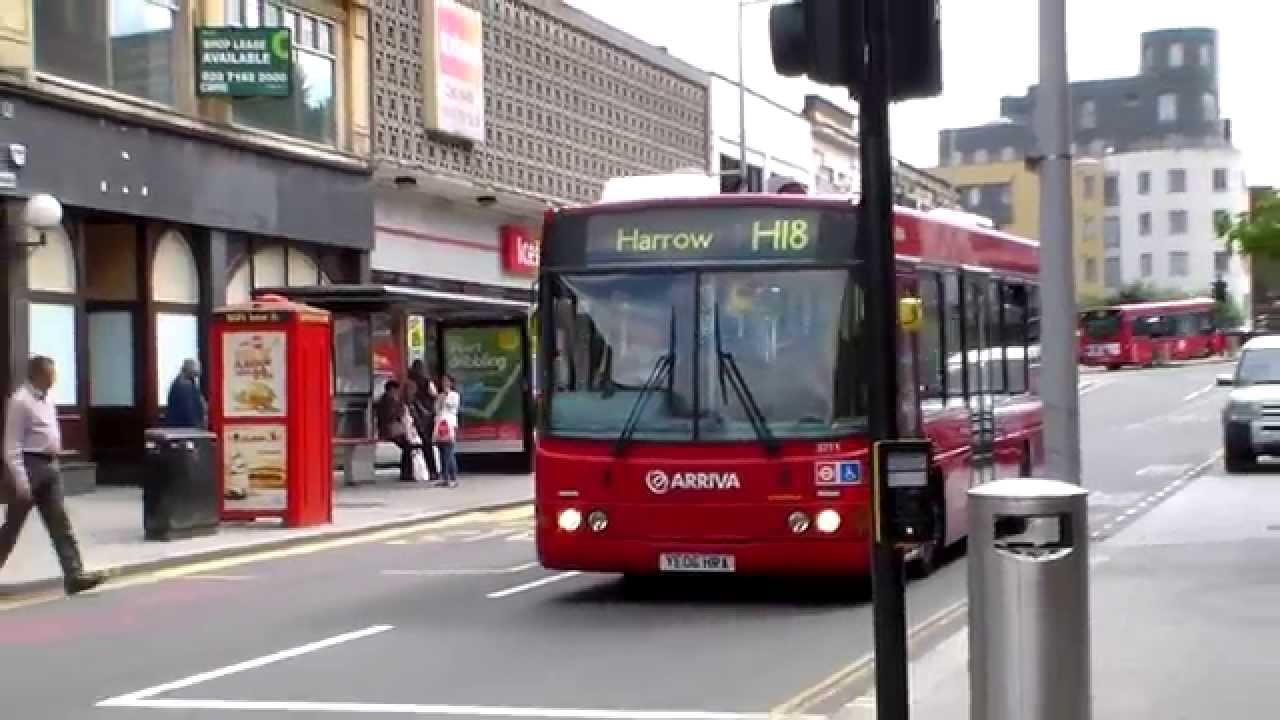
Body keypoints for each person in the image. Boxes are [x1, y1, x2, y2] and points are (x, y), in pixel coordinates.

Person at [0, 356, 107, 595]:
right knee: (11, 529)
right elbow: (11, 446)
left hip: (50, 466)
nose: (55, 379)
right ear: (37, 374)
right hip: (29, 466)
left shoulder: (48, 399)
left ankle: (74, 574)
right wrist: (20, 480)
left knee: (61, 524)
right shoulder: (20, 401)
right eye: (51, 374)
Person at [374, 379, 416, 484]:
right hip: (390, 430)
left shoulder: (386, 399)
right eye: (395, 390)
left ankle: (407, 473)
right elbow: (392, 415)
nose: (396, 392)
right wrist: (400, 410)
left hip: (390, 429)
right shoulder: (388, 400)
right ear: (391, 390)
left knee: (408, 445)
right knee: (408, 446)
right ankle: (407, 474)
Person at [406, 360, 440, 481]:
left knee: (424, 444)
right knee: (430, 443)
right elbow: (435, 394)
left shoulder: (410, 381)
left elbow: (408, 398)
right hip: (429, 415)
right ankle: (434, 471)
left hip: (417, 416)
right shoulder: (427, 381)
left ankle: (426, 471)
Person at [433, 373, 462, 488]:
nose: (444, 383)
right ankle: (445, 478)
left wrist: (445, 395)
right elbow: (436, 408)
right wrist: (439, 398)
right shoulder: (440, 395)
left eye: (446, 381)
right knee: (441, 451)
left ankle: (453, 478)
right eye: (443, 381)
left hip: (449, 424)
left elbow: (451, 405)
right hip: (440, 424)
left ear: (451, 382)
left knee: (448, 452)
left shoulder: (454, 395)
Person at [164, 358, 207, 428]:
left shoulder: (184, 382)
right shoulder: (184, 385)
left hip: (182, 426)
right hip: (185, 428)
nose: (195, 378)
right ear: (189, 371)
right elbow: (189, 410)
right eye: (195, 375)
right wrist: (198, 426)